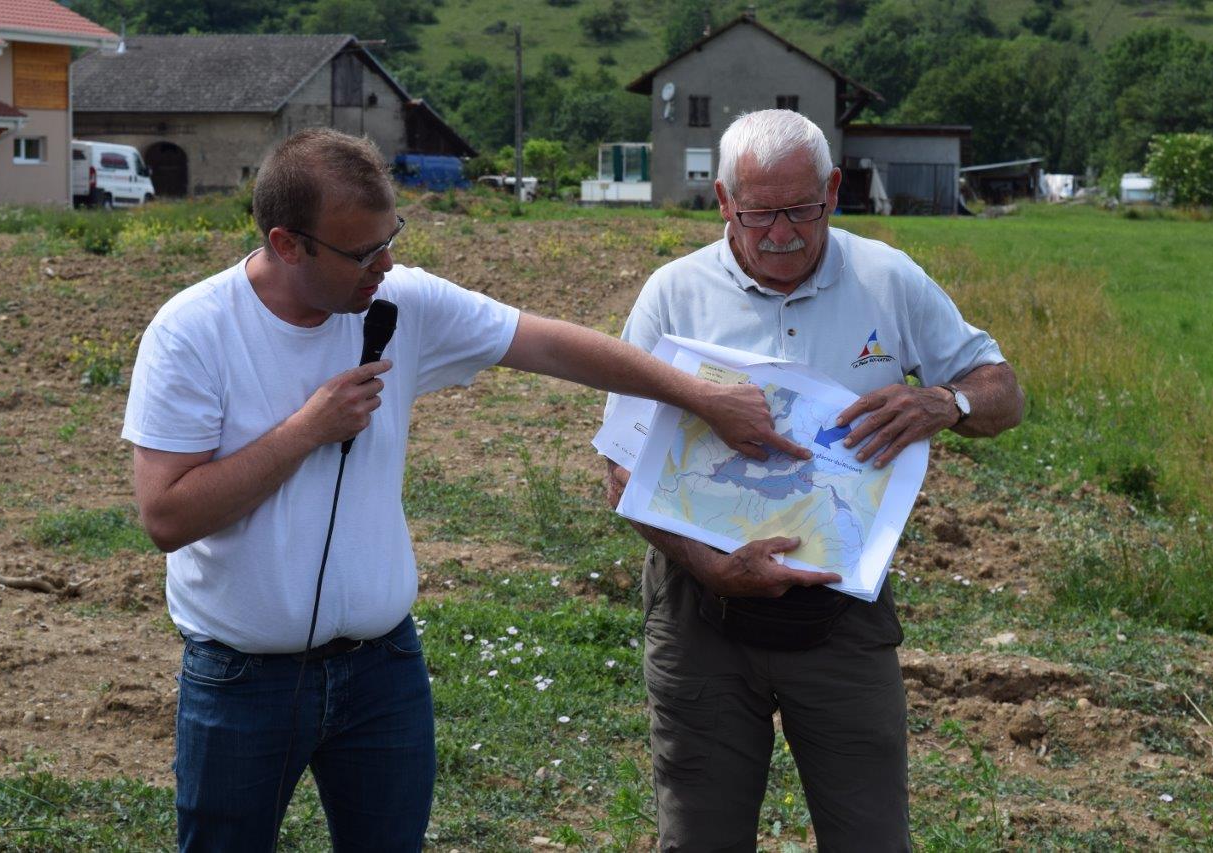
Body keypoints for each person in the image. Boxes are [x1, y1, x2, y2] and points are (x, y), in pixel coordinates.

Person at [122, 127, 798, 852]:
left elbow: (550, 344)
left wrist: (699, 396)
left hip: (382, 671)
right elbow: (166, 514)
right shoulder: (191, 333)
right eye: (361, 252)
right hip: (241, 681)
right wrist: (305, 431)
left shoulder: (398, 301)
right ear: (288, 244)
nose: (385, 264)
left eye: (392, 238)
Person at [603, 110, 1024, 852]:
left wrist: (945, 400)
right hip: (699, 608)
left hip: (843, 606)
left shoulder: (885, 278)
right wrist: (714, 569)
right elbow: (622, 469)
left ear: (833, 189)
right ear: (725, 203)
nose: (783, 234)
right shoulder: (674, 294)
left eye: (803, 208)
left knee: (870, 832)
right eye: (760, 213)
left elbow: (1003, 390)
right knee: (700, 833)